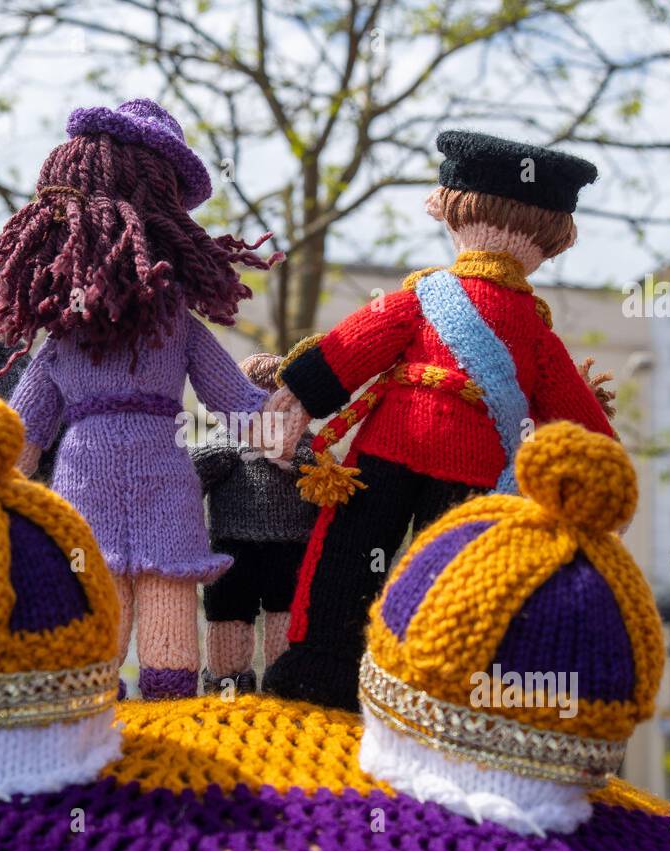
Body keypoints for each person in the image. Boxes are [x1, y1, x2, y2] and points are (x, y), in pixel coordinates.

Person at [262, 130, 615, 711]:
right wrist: (601, 471)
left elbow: (356, 343)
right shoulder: (527, 328)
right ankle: (429, 680)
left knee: (352, 551)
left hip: (390, 450)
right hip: (469, 471)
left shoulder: (426, 299)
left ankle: (325, 663)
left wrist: (297, 396)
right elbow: (575, 411)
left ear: (451, 207)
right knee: (446, 574)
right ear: (555, 236)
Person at [0, 98, 280, 700]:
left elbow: (25, 433)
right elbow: (239, 406)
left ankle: (107, 716)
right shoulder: (168, 326)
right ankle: (151, 720)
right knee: (150, 605)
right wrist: (288, 431)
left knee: (105, 605)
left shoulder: (67, 331)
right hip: (160, 475)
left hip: (92, 484)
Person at [191, 353, 317, 695]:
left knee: (286, 611)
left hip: (293, 546)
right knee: (229, 609)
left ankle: (283, 681)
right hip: (233, 546)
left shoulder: (303, 444)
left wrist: (296, 456)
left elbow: (325, 476)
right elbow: (192, 475)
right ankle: (227, 679)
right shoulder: (227, 440)